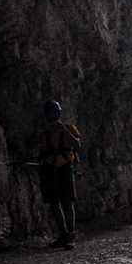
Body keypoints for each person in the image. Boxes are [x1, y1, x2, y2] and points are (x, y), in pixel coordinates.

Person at [39, 99, 81, 249]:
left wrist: (64, 131)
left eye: (54, 113)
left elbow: (77, 145)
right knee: (54, 202)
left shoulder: (69, 128)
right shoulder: (43, 131)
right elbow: (32, 144)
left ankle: (71, 234)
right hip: (49, 168)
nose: (52, 116)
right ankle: (63, 234)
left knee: (67, 202)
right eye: (49, 113)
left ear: (59, 113)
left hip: (64, 167)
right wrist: (40, 132)